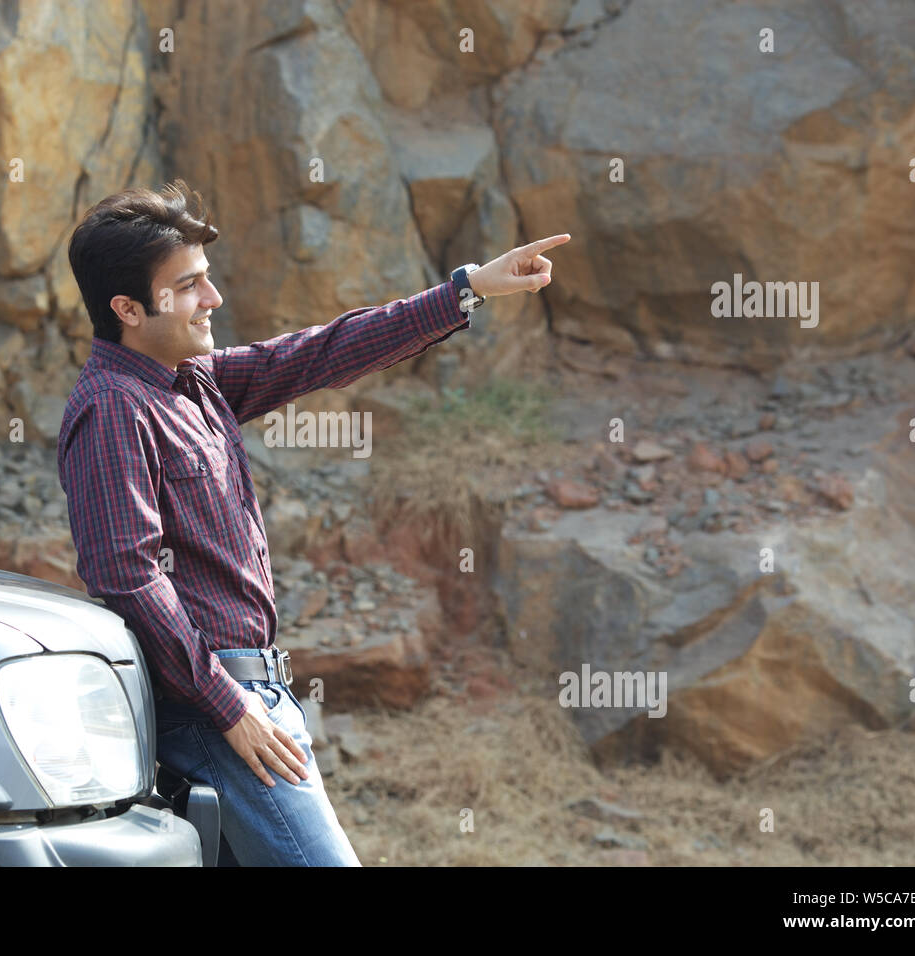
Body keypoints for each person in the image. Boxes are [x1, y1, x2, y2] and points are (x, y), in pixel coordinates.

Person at [57, 178, 568, 865]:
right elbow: (127, 576)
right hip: (217, 711)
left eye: (208, 279)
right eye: (190, 287)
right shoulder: (115, 407)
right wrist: (230, 707)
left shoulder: (194, 380)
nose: (214, 299)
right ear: (128, 308)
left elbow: (320, 352)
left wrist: (469, 288)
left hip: (252, 699)